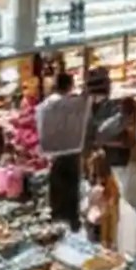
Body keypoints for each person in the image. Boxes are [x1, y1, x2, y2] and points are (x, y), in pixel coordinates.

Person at [38, 72, 86, 230]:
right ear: (69, 85)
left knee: (57, 190)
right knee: (72, 191)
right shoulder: (72, 102)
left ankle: (57, 222)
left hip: (54, 155)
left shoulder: (44, 106)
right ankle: (72, 222)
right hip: (72, 152)